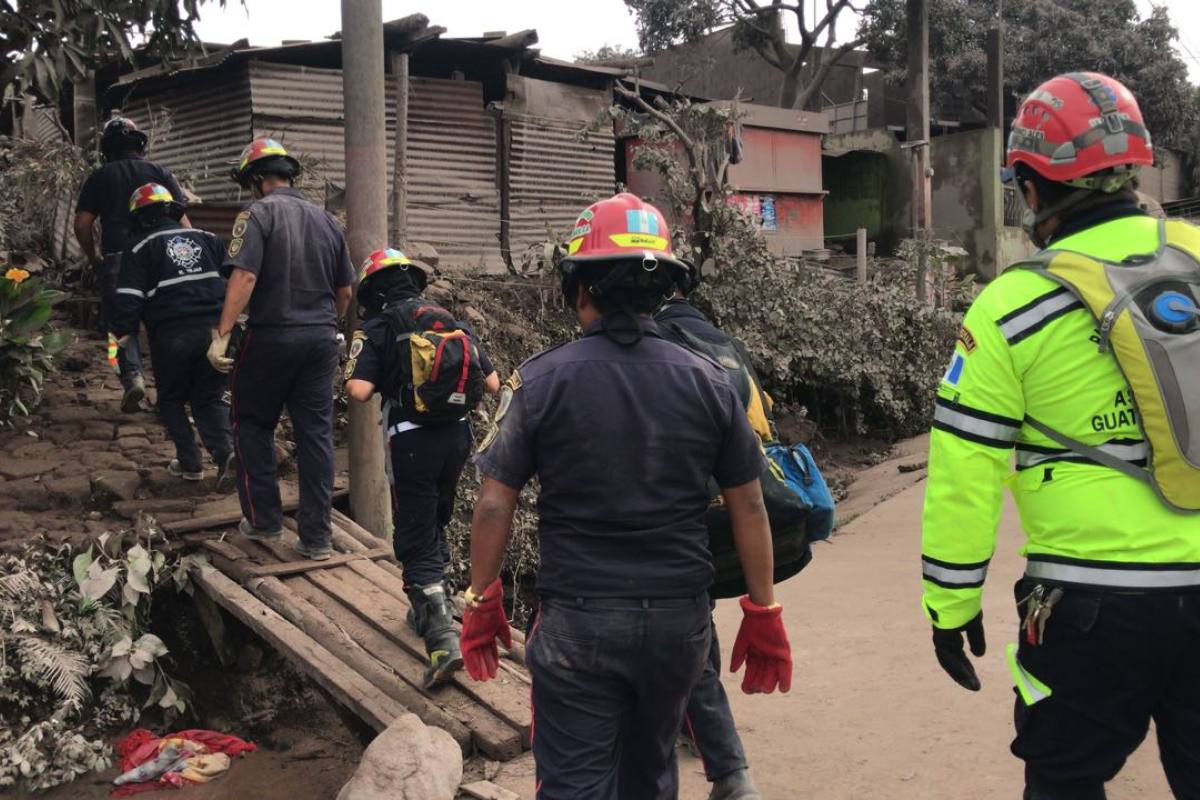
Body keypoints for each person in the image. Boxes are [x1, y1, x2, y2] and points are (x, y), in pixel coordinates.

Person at [921, 72, 1200, 799]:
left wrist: (951, 605)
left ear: (1031, 186)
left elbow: (965, 471)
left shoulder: (1011, 304)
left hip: (1085, 604)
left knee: (1064, 784)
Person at [459, 193, 793, 800]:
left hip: (579, 624)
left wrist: (482, 599)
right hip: (678, 624)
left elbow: (491, 503)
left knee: (575, 787)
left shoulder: (540, 380)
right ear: (660, 288)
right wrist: (762, 609)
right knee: (650, 775)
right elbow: (749, 504)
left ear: (579, 287)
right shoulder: (709, 381)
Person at [344, 248, 500, 688]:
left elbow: (358, 391)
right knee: (436, 518)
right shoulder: (449, 319)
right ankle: (429, 605)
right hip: (457, 435)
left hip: (411, 438)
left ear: (371, 289)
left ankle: (442, 640)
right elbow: (490, 382)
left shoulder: (376, 326)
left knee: (413, 529)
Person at [209, 138, 355, 561]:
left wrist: (222, 333)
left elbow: (245, 278)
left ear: (256, 181)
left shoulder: (256, 214)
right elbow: (344, 290)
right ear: (289, 176)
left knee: (252, 423)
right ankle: (316, 538)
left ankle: (265, 522)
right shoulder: (328, 222)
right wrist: (332, 326)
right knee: (316, 436)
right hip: (321, 341)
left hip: (271, 337)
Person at [655, 291, 770, 800]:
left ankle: (730, 771)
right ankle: (702, 734)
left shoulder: (658, 344)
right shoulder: (727, 346)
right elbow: (761, 420)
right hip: (729, 494)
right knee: (698, 616)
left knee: (690, 628)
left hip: (677, 502)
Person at [111, 183, 234, 488]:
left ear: (139, 219)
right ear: (173, 211)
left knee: (171, 399)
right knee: (209, 398)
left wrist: (122, 334)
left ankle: (190, 463)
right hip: (217, 333)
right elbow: (238, 280)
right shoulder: (208, 239)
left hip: (172, 335)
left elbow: (128, 299)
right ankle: (225, 455)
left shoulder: (139, 248)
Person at [75, 117, 190, 413]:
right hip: (161, 259)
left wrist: (93, 257)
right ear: (140, 144)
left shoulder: (100, 177)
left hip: (118, 260)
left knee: (118, 328)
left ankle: (132, 378)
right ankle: (169, 393)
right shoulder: (160, 173)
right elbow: (182, 222)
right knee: (163, 325)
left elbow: (82, 224)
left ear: (107, 149)